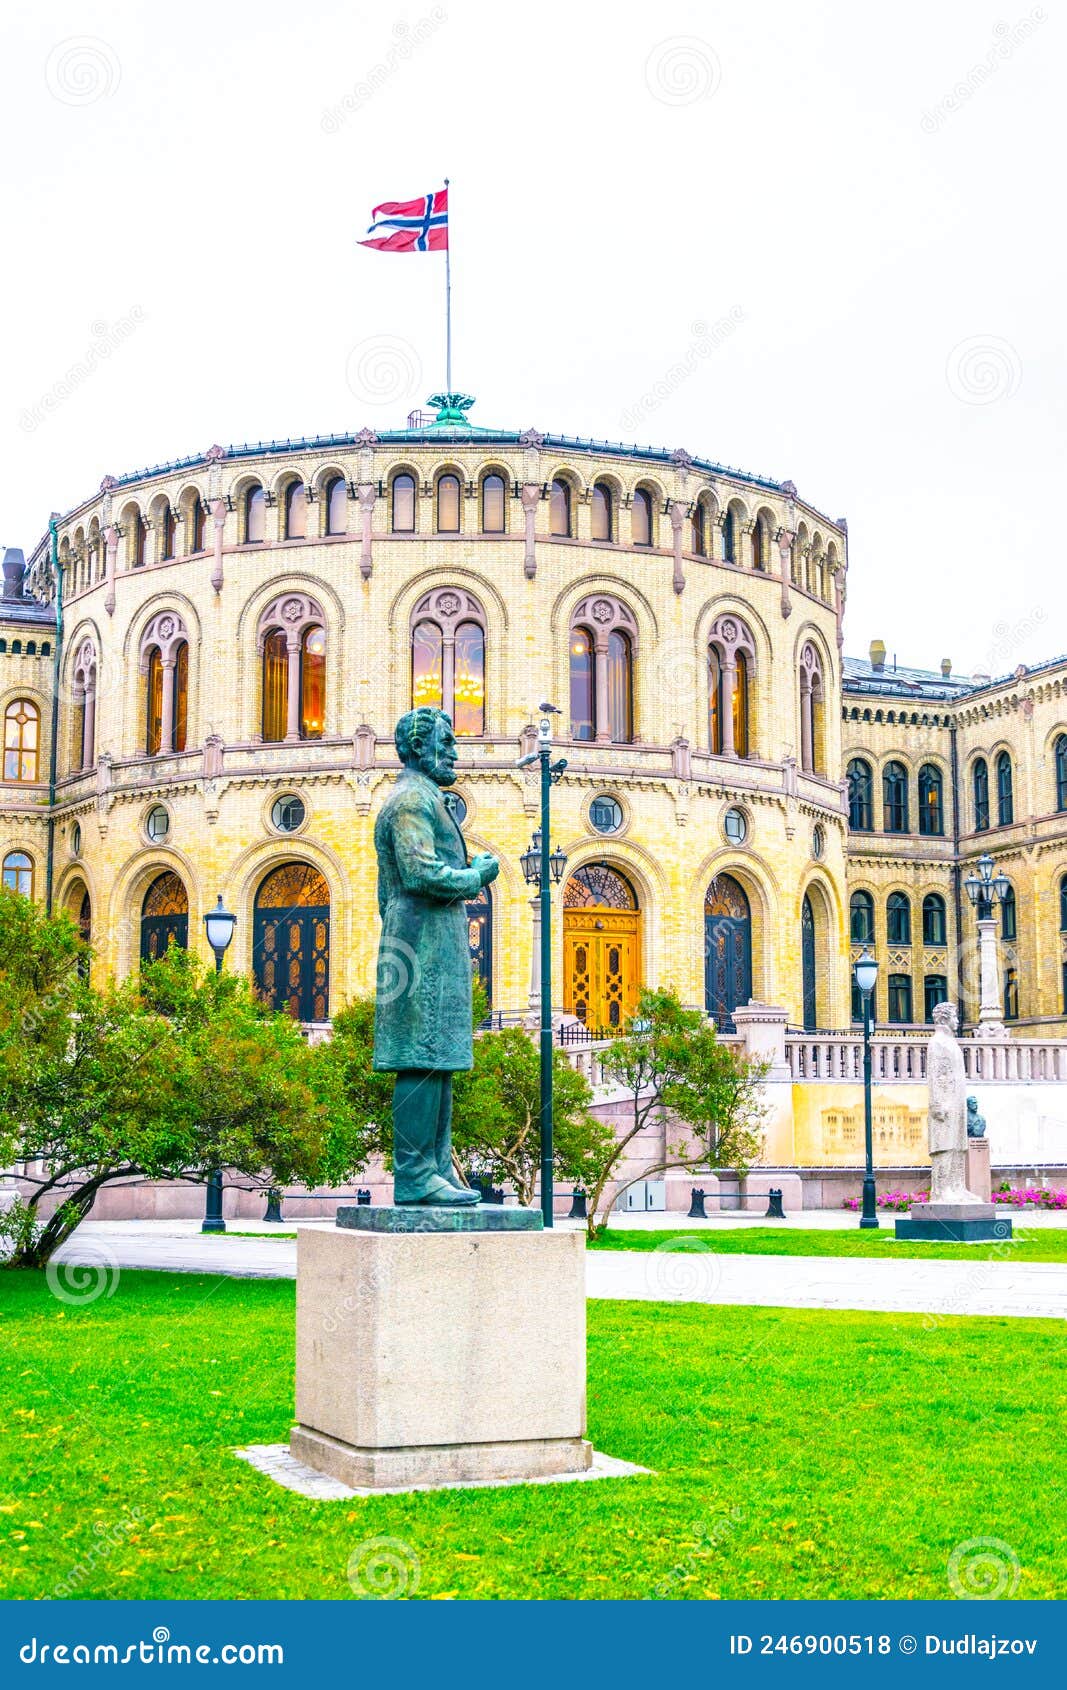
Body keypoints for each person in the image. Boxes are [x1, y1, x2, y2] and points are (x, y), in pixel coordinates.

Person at [373, 707, 499, 1205]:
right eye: (446, 743)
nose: (454, 752)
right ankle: (414, 1174)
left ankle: (437, 1170)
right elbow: (420, 873)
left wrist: (468, 871)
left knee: (439, 1058)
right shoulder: (410, 801)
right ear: (418, 748)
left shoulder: (427, 798)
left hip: (434, 941)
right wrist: (478, 876)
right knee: (419, 1056)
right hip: (418, 945)